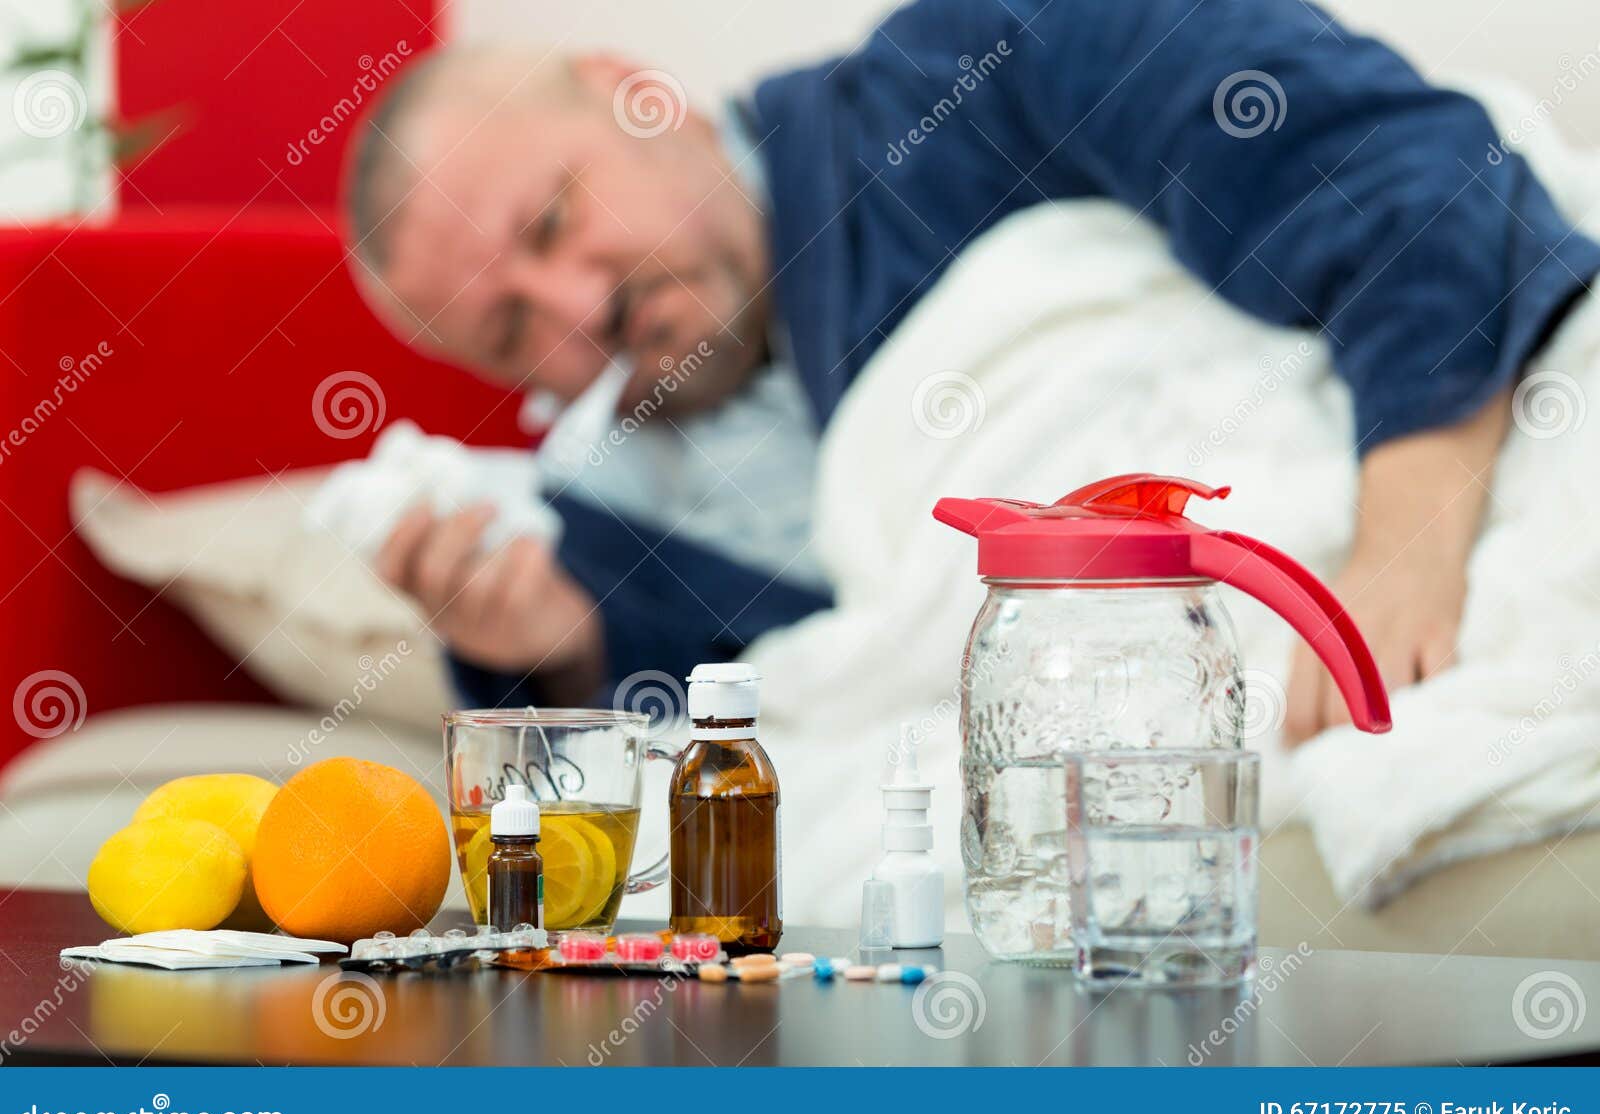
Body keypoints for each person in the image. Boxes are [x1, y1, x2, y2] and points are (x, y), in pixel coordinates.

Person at [341, 0, 1599, 745]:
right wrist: (565, 650)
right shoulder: (615, 508)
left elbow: (1377, 154)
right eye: (511, 333)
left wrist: (1406, 529)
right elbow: (757, 706)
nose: (578, 308)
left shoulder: (966, 71)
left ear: (634, 98)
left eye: (554, 221)